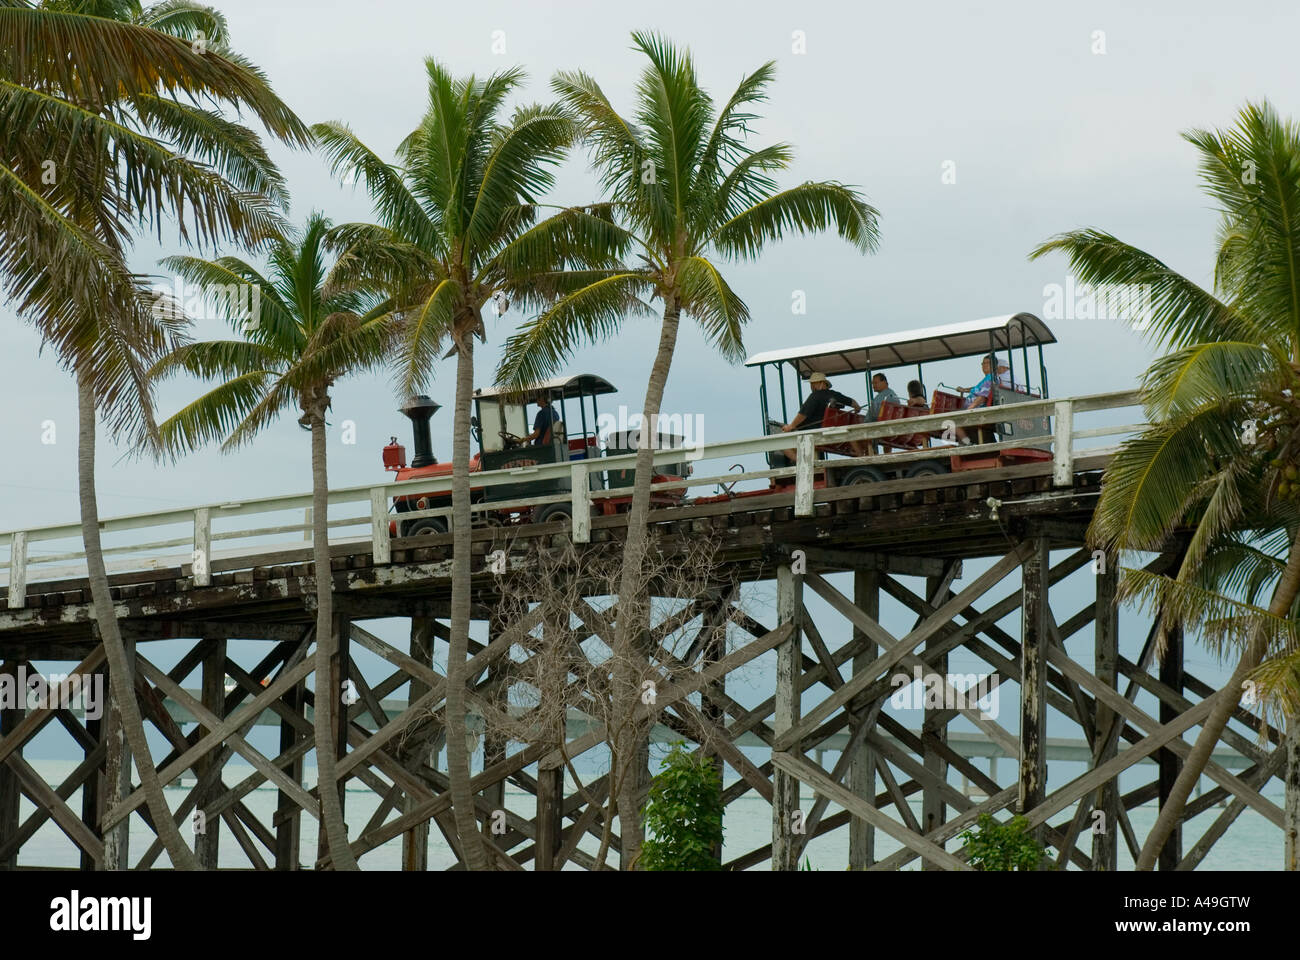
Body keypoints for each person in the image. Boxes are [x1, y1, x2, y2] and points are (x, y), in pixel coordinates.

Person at [781, 371, 863, 461]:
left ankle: (805, 465)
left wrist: (790, 426)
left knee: (782, 443)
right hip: (833, 431)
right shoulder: (835, 395)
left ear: (821, 383)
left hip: (815, 433)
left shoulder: (815, 396)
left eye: (814, 383)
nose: (812, 386)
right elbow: (853, 402)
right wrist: (857, 408)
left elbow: (803, 414)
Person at [956, 355, 1012, 444]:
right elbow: (977, 389)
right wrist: (964, 390)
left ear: (994, 366)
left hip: (978, 410)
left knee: (953, 421)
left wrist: (970, 409)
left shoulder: (991, 378)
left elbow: (982, 397)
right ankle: (967, 442)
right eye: (983, 363)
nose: (984, 365)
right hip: (974, 409)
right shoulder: (988, 378)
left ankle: (967, 444)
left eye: (987, 363)